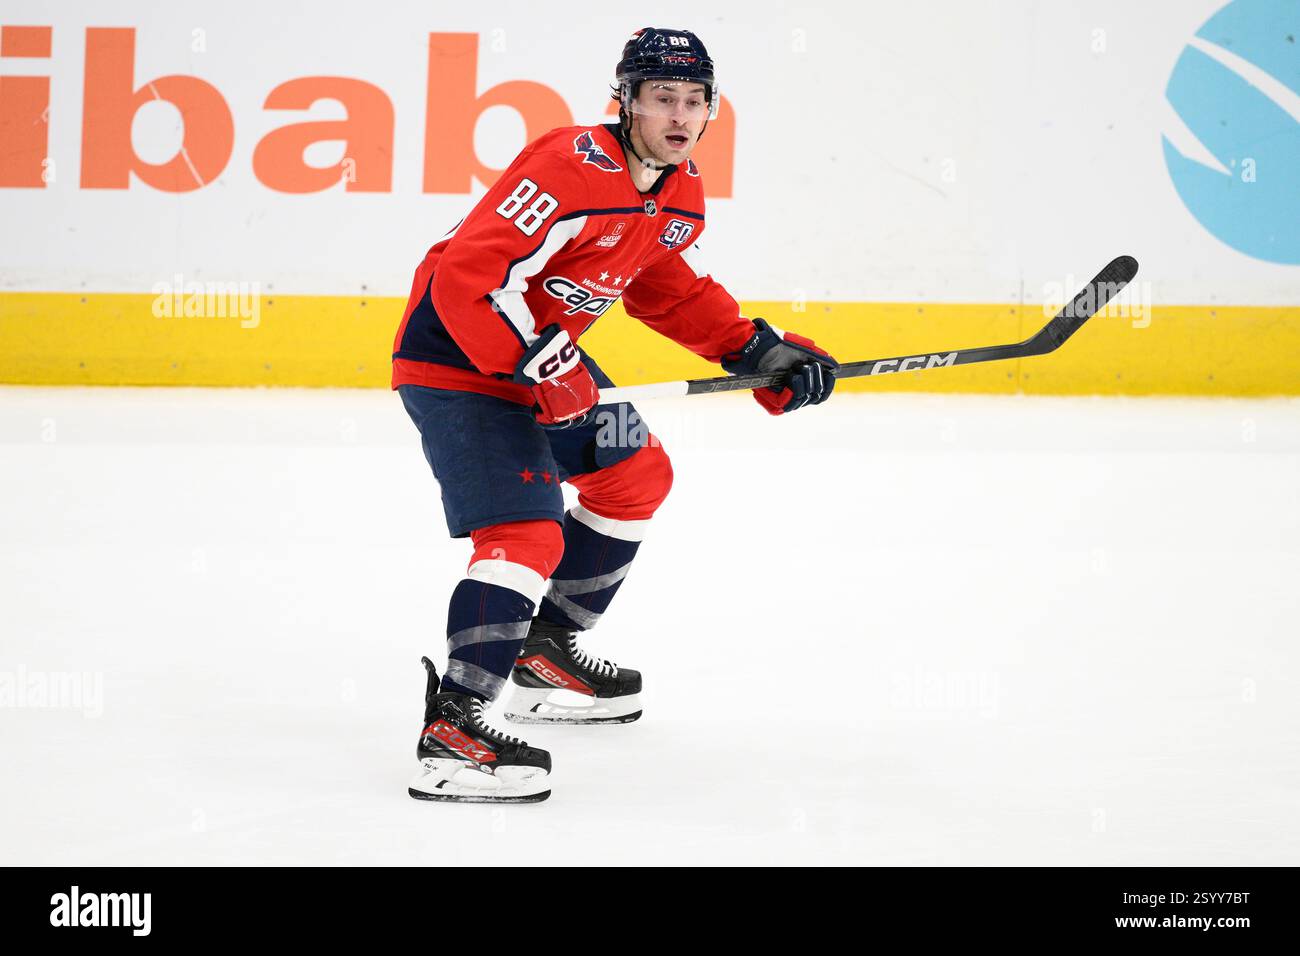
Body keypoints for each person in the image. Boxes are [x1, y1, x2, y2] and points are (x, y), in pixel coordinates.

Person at [393, 27, 838, 802]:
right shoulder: (568, 166)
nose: (680, 114)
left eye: (695, 100)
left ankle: (544, 649)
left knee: (637, 474)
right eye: (662, 96)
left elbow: (665, 288)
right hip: (459, 363)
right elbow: (469, 277)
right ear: (626, 101)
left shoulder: (678, 190)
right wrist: (541, 363)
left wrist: (757, 352)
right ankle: (455, 731)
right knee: (525, 531)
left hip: (547, 362)